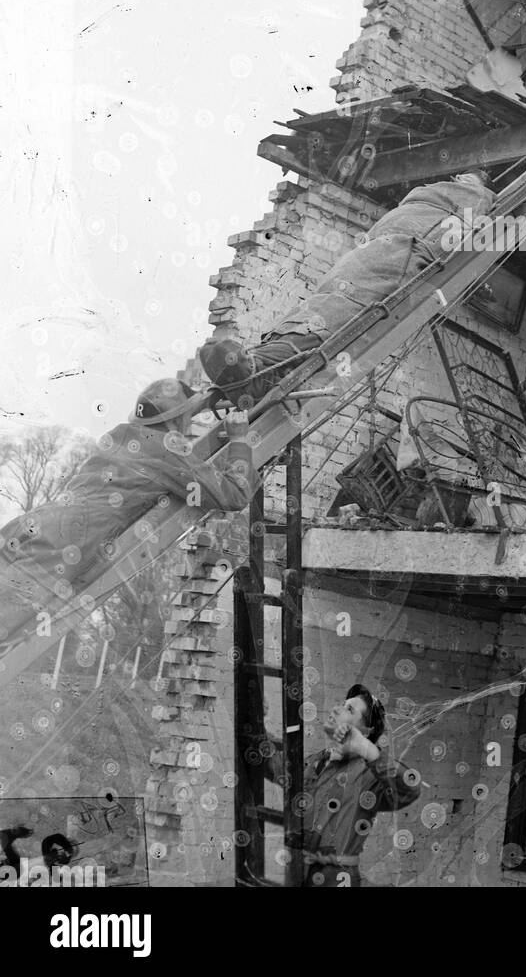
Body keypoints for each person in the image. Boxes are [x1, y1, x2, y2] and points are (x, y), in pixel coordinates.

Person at [199, 171, 500, 408]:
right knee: (331, 309)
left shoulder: (445, 196)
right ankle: (257, 366)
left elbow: (473, 211)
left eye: (465, 179)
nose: (457, 180)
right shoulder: (453, 199)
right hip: (385, 254)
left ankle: (255, 364)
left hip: (383, 252)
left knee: (332, 308)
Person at [0, 379, 258, 645]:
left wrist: (203, 401)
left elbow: (163, 419)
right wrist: (239, 440)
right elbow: (233, 494)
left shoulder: (119, 436)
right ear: (177, 419)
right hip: (58, 548)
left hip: (30, 526)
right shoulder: (169, 449)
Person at [260, 683, 421, 888]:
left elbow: (409, 789)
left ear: (366, 729)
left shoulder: (370, 774)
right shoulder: (316, 761)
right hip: (299, 875)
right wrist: (258, 719)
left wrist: (365, 747)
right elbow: (270, 764)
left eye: (350, 709)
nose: (337, 709)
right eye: (343, 704)